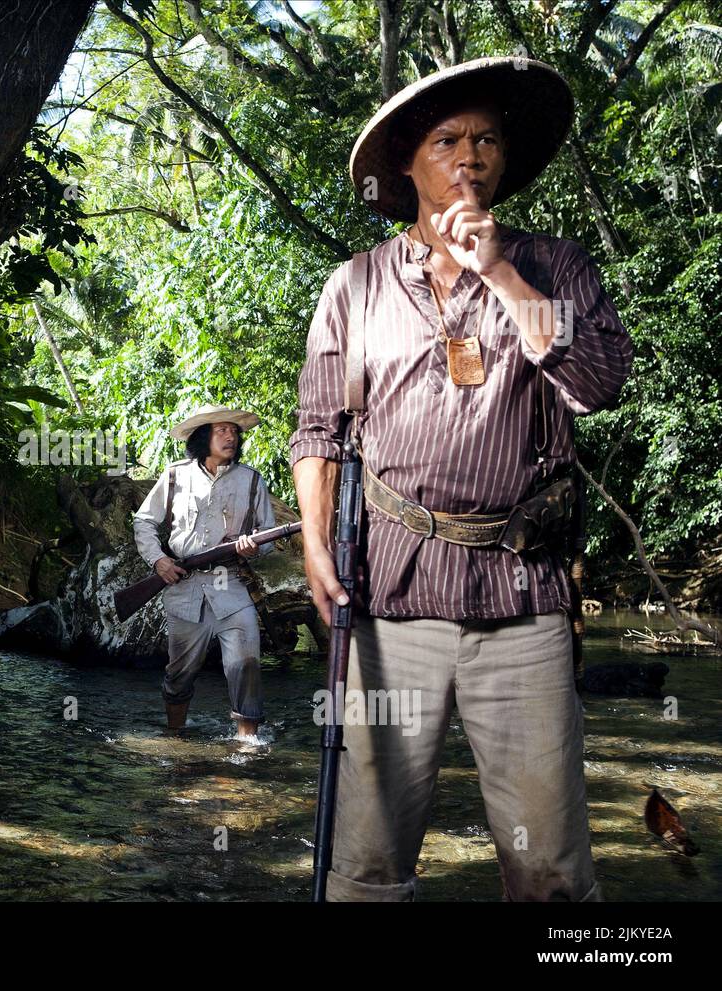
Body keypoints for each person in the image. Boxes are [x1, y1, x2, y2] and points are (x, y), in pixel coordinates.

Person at [290, 57, 633, 901]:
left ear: (504, 160)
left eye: (484, 140)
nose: (468, 158)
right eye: (446, 141)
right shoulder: (355, 285)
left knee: (550, 870)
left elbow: (598, 384)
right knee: (366, 863)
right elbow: (318, 431)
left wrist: (502, 278)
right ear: (409, 161)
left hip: (524, 603)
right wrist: (312, 541)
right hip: (391, 604)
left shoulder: (555, 267)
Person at [133, 404, 276, 739]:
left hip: (232, 588)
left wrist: (254, 547)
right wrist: (159, 561)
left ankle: (248, 744)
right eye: (221, 430)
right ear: (203, 437)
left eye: (234, 431)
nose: (231, 437)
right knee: (179, 674)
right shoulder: (174, 475)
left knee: (247, 666)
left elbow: (268, 537)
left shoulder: (252, 481)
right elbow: (144, 522)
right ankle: (175, 736)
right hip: (185, 590)